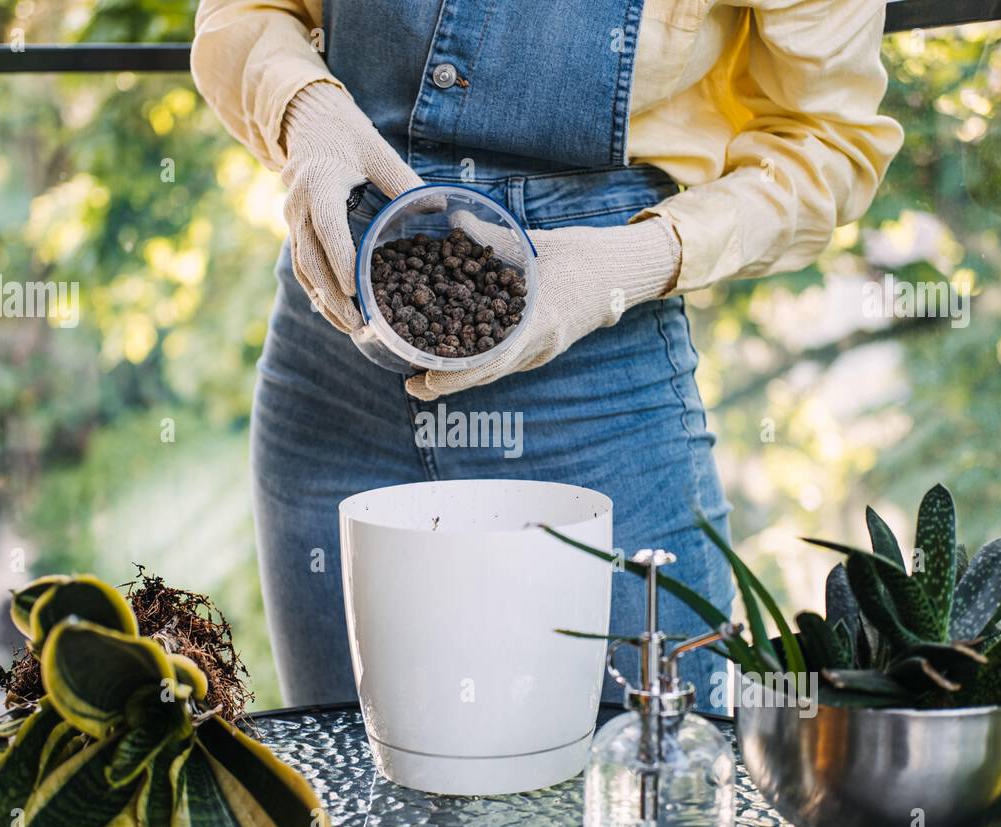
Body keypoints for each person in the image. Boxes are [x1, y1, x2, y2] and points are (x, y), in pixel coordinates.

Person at [191, 0, 903, 709]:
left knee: (645, 783)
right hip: (333, 368)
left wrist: (635, 261)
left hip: (598, 381)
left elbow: (827, 141)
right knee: (347, 784)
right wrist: (302, 104)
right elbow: (245, 11)